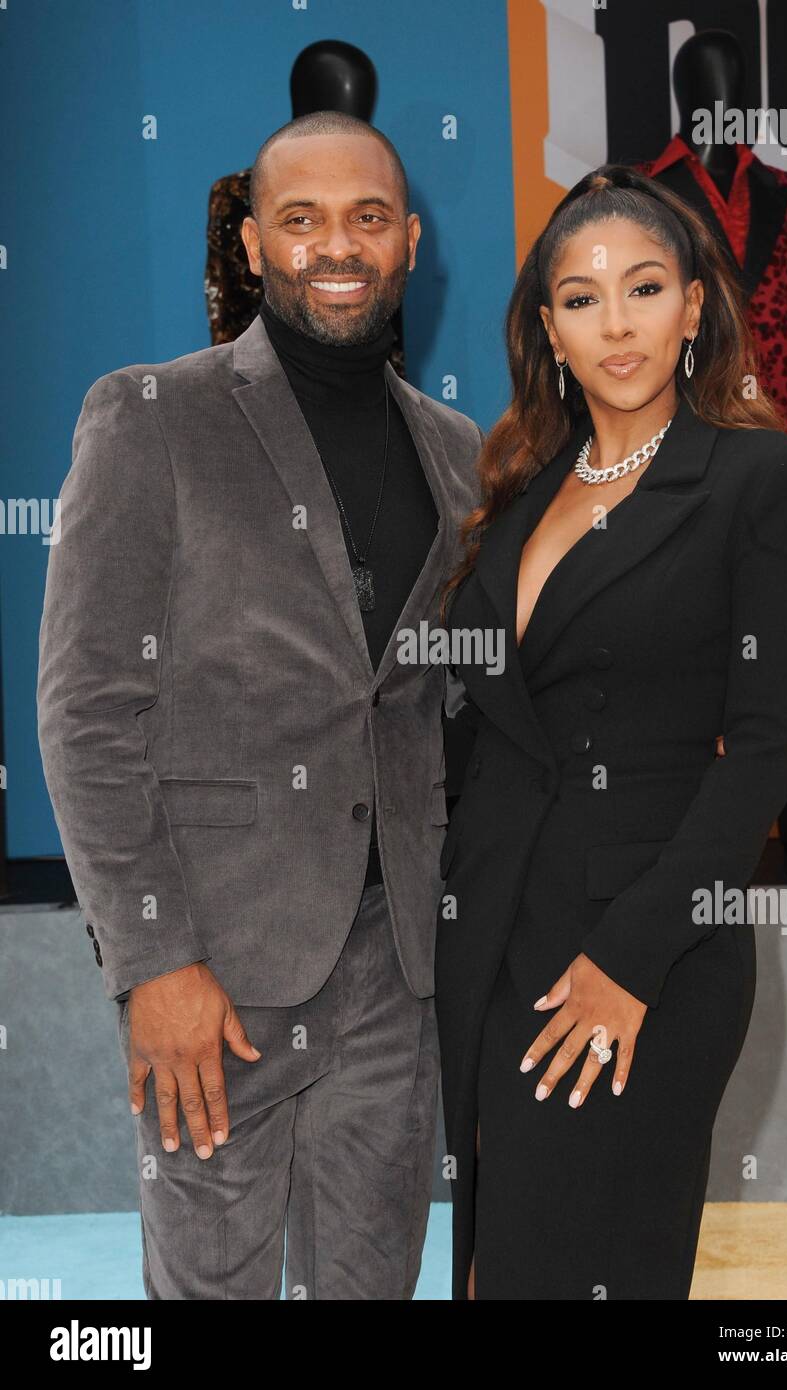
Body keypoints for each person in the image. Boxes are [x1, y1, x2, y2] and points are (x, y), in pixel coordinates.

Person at [37, 111, 481, 1299]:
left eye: (367, 217)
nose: (337, 244)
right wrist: (151, 960)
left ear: (409, 241)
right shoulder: (150, 415)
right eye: (303, 218)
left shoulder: (456, 451)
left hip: (397, 975)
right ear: (251, 244)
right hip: (215, 981)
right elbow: (86, 712)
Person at [435, 165, 787, 1300]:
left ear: (696, 306)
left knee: (592, 1266)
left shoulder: (764, 482)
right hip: (496, 932)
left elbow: (763, 756)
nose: (616, 322)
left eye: (645, 287)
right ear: (548, 330)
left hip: (641, 949)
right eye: (580, 297)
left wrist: (628, 959)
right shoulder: (517, 492)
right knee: (499, 1266)